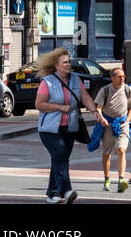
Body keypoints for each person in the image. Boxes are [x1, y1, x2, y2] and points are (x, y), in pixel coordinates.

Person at [36, 47, 99, 203]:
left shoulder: (76, 80)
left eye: (69, 61)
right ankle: (61, 191)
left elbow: (85, 98)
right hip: (50, 128)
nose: (68, 64)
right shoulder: (48, 82)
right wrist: (60, 107)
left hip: (70, 127)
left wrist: (94, 111)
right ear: (56, 65)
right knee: (60, 156)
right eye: (65, 62)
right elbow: (39, 104)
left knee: (61, 158)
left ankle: (58, 192)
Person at [94, 66, 131, 192]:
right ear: (112, 78)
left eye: (123, 76)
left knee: (121, 150)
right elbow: (98, 107)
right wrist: (101, 118)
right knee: (107, 154)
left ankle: (121, 180)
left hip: (123, 124)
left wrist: (128, 120)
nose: (122, 79)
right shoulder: (104, 90)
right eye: (120, 76)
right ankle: (107, 178)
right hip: (108, 125)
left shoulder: (127, 89)